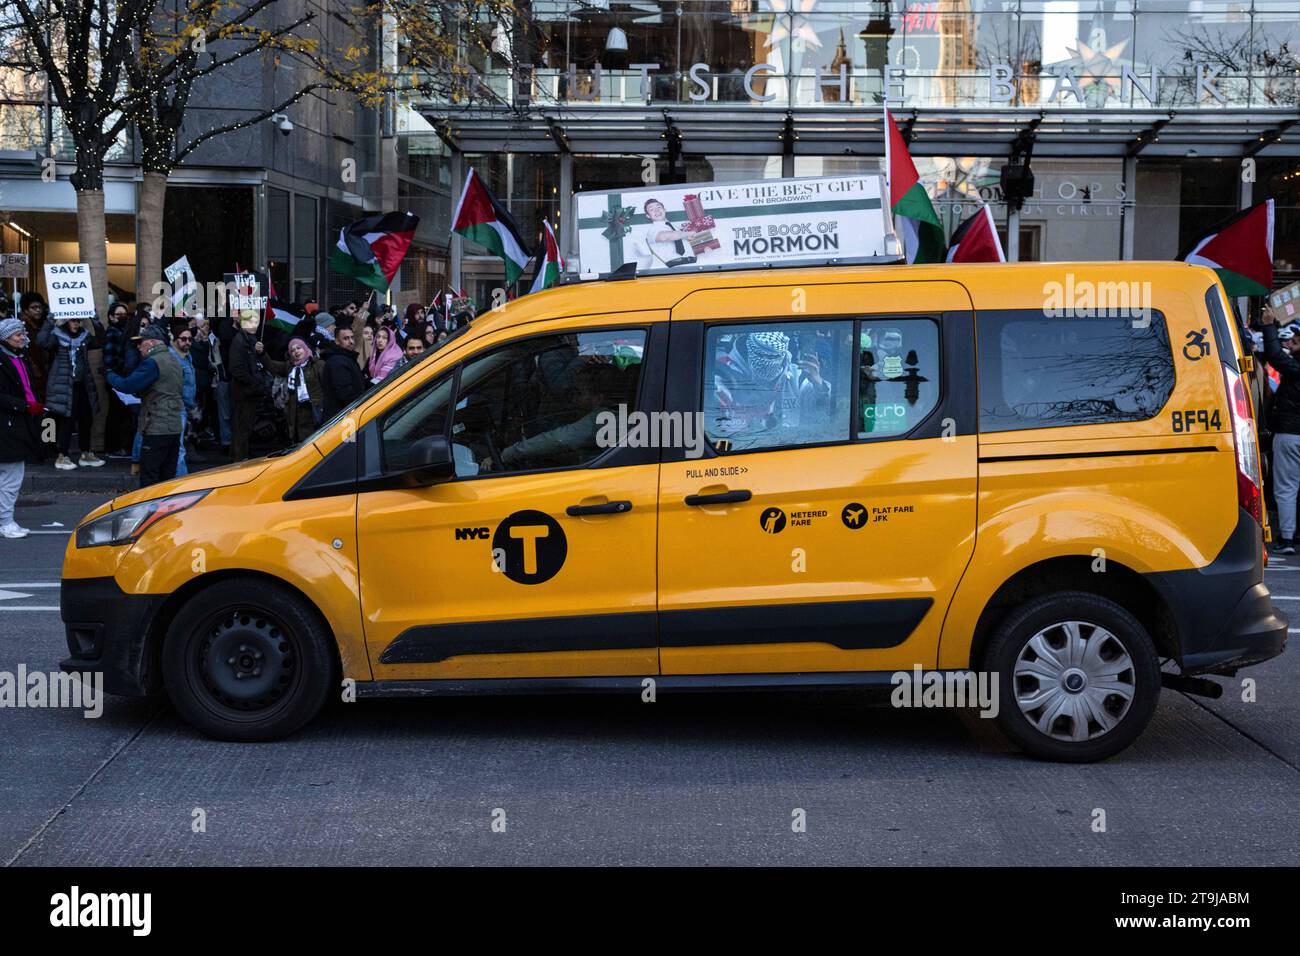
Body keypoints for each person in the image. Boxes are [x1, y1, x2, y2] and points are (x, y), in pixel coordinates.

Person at [105, 323, 184, 488]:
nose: (139, 347)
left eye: (140, 343)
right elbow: (161, 387)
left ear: (151, 343)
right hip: (174, 425)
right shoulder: (174, 360)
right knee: (167, 477)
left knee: (150, 476)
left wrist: (109, 375)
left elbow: (128, 385)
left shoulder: (153, 362)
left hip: (157, 426)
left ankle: (151, 512)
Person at [37, 312, 105, 469]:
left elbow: (101, 341)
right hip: (63, 384)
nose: (77, 324)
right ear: (66, 321)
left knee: (86, 418)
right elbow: (41, 342)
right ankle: (62, 455)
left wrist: (95, 319)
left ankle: (86, 453)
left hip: (82, 383)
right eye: (73, 320)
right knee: (67, 420)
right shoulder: (56, 335)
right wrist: (50, 318)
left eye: (79, 320)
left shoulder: (85, 335)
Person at [0, 317, 43, 538]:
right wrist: (25, 405)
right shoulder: (3, 360)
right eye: (17, 335)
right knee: (11, 478)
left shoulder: (21, 357)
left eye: (22, 333)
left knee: (8, 477)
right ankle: (5, 522)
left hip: (19, 421)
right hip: (8, 425)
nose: (22, 338)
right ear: (6, 337)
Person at [1262, 305, 1300, 553]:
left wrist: (1269, 325)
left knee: (1286, 487)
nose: (1292, 343)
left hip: (1289, 433)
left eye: (1296, 340)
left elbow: (1275, 356)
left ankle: (1286, 537)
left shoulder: (1295, 366)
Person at [263, 337, 325, 443]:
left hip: (315, 410)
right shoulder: (289, 367)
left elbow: (326, 387)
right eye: (292, 350)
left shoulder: (318, 364)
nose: (296, 351)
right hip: (297, 412)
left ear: (305, 349)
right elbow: (271, 366)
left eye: (298, 348)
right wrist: (262, 353)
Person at [228, 310, 266, 461]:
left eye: (256, 322)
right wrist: (254, 382)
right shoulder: (240, 341)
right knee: (241, 429)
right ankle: (238, 461)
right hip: (244, 392)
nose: (255, 325)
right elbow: (237, 369)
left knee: (245, 428)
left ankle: (241, 457)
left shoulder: (249, 339)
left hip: (249, 391)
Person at [634, 198, 700, 270]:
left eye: (658, 207)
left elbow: (687, 242)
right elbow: (665, 237)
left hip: (693, 265)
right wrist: (687, 234)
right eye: (652, 209)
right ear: (648, 216)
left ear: (664, 209)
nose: (657, 210)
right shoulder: (652, 231)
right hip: (674, 268)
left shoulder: (675, 228)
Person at [319, 324, 367, 418]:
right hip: (343, 417)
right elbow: (345, 394)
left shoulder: (346, 357)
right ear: (337, 341)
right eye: (346, 338)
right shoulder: (338, 361)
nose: (351, 341)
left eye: (352, 337)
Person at [170, 322, 199, 476]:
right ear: (175, 340)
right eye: (183, 339)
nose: (187, 342)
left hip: (184, 405)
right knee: (179, 447)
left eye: (190, 339)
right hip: (176, 406)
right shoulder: (172, 357)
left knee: (178, 446)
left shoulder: (188, 356)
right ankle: (180, 480)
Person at [18, 292, 51, 400]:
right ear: (25, 310)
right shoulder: (21, 328)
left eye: (40, 307)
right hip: (32, 375)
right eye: (34, 307)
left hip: (43, 374)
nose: (38, 310)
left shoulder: (41, 324)